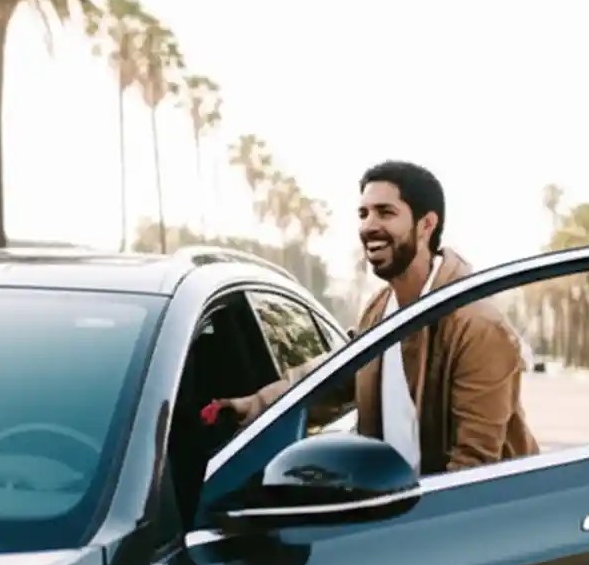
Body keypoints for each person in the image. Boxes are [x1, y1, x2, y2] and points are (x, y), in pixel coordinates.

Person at [221, 160, 539, 475]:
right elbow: (335, 376)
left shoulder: (477, 325)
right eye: (363, 214)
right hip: (393, 502)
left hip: (452, 504)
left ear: (426, 225)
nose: (369, 226)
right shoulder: (379, 308)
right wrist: (255, 405)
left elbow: (473, 467)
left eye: (385, 213)